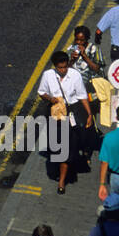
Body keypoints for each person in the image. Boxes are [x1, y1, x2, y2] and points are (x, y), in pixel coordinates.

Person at [37, 50, 93, 192]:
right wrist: (51, 99)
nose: (63, 70)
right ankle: (58, 164)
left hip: (71, 112)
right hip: (55, 112)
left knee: (67, 148)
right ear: (54, 66)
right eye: (59, 67)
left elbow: (82, 96)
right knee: (56, 145)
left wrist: (89, 113)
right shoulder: (47, 75)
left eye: (65, 67)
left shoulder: (75, 75)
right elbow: (41, 92)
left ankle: (61, 182)